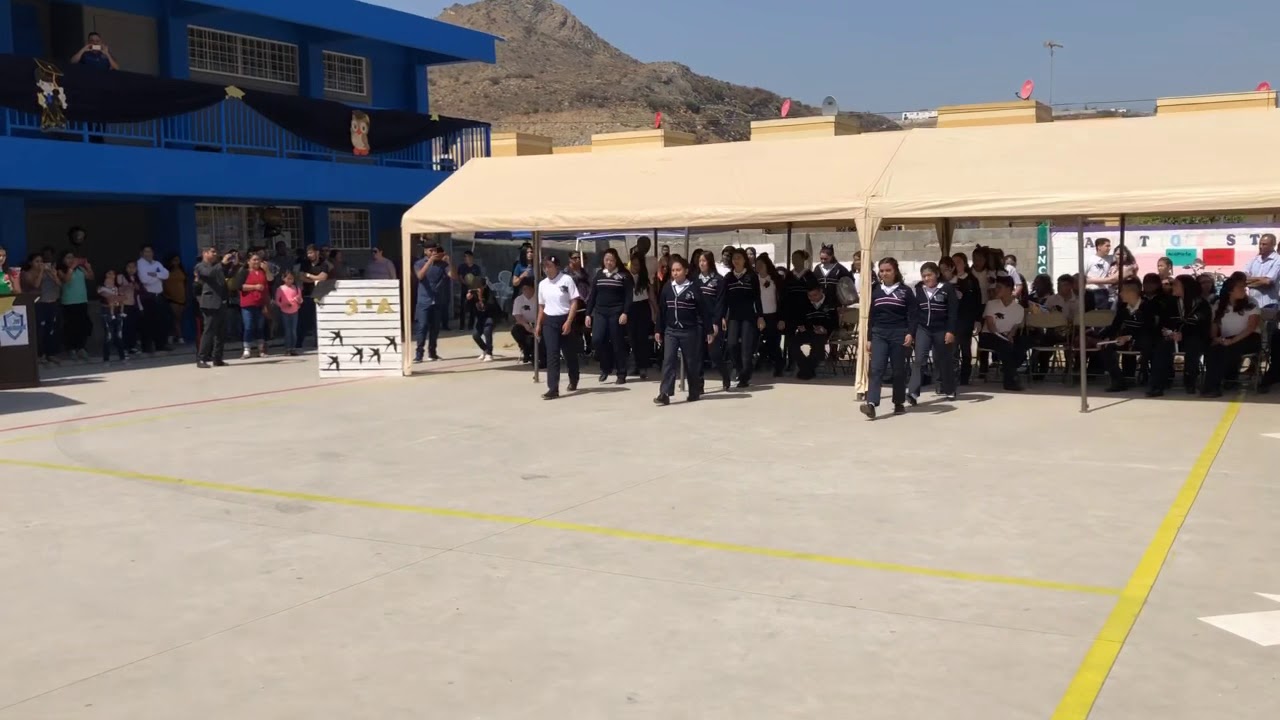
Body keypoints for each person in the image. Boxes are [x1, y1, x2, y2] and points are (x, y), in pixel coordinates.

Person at [654, 255, 716, 405]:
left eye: (678, 270)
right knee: (668, 361)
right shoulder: (667, 288)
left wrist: (709, 331)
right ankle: (665, 393)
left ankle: (694, 391)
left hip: (689, 331)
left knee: (690, 362)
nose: (675, 273)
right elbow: (662, 311)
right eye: (673, 270)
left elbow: (703, 311)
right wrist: (658, 330)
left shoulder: (694, 289)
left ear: (686, 271)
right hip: (671, 331)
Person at [860, 258, 918, 419]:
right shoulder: (876, 289)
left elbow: (913, 315)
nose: (884, 273)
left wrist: (910, 333)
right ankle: (871, 403)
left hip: (899, 333)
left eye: (888, 270)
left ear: (895, 271)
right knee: (877, 368)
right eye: (882, 270)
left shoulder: (905, 291)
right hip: (879, 333)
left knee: (898, 370)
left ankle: (898, 402)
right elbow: (872, 315)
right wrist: (869, 337)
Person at [1099, 279, 1173, 397]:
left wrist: (1129, 337)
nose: (1120, 294)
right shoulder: (1123, 308)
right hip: (1127, 339)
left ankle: (1155, 385)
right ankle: (1118, 381)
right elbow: (1115, 326)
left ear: (1132, 293)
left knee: (1152, 346)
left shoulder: (1149, 307)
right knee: (1106, 347)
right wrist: (1106, 337)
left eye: (1122, 291)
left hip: (1146, 338)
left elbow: (1150, 328)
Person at [1201, 274, 1262, 398]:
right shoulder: (1219, 305)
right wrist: (1215, 338)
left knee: (1226, 351)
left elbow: (1250, 328)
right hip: (1227, 338)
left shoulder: (1251, 304)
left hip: (1249, 338)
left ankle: (1218, 383)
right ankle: (1210, 386)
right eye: (1240, 287)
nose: (1244, 289)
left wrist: (1232, 341)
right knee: (1213, 350)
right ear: (1230, 291)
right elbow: (1214, 325)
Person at [908, 262, 958, 403]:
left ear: (936, 274)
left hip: (941, 328)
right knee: (919, 359)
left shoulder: (947, 288)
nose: (926, 279)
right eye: (924, 276)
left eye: (929, 275)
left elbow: (953, 312)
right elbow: (914, 312)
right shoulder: (919, 289)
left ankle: (949, 389)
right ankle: (913, 392)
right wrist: (911, 332)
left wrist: (950, 331)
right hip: (923, 329)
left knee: (944, 360)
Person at [719, 248, 765, 390]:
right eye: (734, 258)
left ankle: (745, 378)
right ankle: (740, 370)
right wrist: (722, 317)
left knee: (747, 348)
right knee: (731, 345)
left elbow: (757, 298)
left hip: (748, 317)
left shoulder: (751, 276)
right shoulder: (728, 278)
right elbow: (724, 300)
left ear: (745, 259)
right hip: (733, 317)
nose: (736, 260)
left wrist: (760, 317)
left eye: (739, 257)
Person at [585, 248, 633, 384]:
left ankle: (621, 373)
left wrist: (625, 312)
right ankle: (606, 367)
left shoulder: (624, 275)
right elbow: (592, 296)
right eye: (606, 260)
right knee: (598, 340)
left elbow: (629, 297)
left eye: (611, 260)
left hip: (616, 312)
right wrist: (588, 314)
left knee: (617, 342)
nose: (609, 262)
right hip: (600, 312)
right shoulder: (599, 275)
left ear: (616, 260)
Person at [536, 255, 580, 399]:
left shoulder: (566, 280)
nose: (547, 269)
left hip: (565, 318)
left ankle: (574, 378)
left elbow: (574, 301)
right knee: (552, 354)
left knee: (569, 353)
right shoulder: (542, 284)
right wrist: (538, 325)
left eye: (549, 266)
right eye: (545, 266)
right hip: (549, 320)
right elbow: (541, 306)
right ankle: (553, 388)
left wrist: (569, 321)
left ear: (557, 267)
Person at [978, 276, 1027, 392]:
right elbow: (990, 326)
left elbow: (1014, 329)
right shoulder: (991, 304)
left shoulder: (1019, 309)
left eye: (999, 287)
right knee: (1006, 345)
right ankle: (1011, 380)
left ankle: (1010, 374)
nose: (996, 290)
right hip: (990, 336)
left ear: (1010, 289)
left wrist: (1009, 337)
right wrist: (1003, 337)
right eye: (996, 287)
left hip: (1005, 337)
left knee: (1019, 345)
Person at [412, 244, 456, 363]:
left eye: (435, 250)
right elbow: (420, 276)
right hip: (423, 300)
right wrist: (430, 261)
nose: (433, 252)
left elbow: (453, 276)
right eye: (431, 250)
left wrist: (449, 262)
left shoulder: (442, 265)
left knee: (435, 328)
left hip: (437, 300)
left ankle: (432, 353)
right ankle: (419, 354)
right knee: (422, 327)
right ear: (426, 251)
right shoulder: (419, 263)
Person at [193, 246, 234, 369]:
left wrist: (228, 264)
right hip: (210, 302)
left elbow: (225, 275)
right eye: (212, 252)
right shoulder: (200, 266)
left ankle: (218, 358)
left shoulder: (217, 266)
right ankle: (202, 358)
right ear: (205, 253)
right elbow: (210, 274)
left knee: (221, 332)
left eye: (216, 252)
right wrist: (222, 263)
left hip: (222, 302)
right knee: (209, 331)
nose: (215, 254)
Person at [1170, 274, 1212, 394]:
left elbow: (1199, 325)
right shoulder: (1172, 302)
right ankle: (1157, 383)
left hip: (1196, 338)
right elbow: (1168, 321)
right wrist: (1171, 332)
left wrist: (1182, 333)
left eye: (1176, 284)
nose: (1173, 287)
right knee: (1161, 346)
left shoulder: (1201, 304)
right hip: (1174, 337)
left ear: (1185, 287)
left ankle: (1190, 380)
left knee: (1193, 345)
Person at [21, 253, 62, 364]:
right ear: (31, 263)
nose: (40, 264)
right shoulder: (27, 274)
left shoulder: (49, 272)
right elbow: (35, 285)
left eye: (41, 261)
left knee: (52, 329)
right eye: (37, 261)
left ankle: (51, 353)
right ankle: (40, 354)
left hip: (52, 303)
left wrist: (53, 274)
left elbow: (59, 284)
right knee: (40, 330)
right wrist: (41, 272)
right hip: (39, 304)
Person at [791, 282, 837, 380]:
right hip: (808, 330)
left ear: (821, 292)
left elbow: (834, 322)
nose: (812, 298)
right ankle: (805, 368)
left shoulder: (830, 303)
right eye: (810, 296)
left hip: (823, 332)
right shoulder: (805, 303)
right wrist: (802, 326)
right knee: (793, 344)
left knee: (818, 346)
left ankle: (807, 370)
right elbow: (800, 318)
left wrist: (825, 329)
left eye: (815, 295)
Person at [951, 252, 982, 385]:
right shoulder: (949, 280)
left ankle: (965, 376)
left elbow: (977, 300)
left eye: (958, 261)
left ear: (964, 263)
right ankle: (952, 374)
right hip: (952, 319)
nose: (956, 264)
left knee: (965, 348)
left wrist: (977, 319)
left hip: (966, 319)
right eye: (953, 262)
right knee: (952, 349)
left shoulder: (971, 280)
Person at [57, 250, 94, 362]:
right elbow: (66, 280)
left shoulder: (80, 269)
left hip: (82, 300)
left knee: (83, 325)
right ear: (63, 260)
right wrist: (71, 268)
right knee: (70, 326)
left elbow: (91, 277)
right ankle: (71, 348)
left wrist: (88, 267)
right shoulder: (60, 270)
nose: (71, 260)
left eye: (72, 257)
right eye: (68, 258)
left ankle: (81, 347)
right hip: (69, 302)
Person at [695, 251, 725, 380]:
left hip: (712, 321)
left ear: (710, 262)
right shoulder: (694, 280)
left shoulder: (718, 280)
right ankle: (699, 384)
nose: (701, 263)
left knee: (713, 353)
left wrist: (716, 322)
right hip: (697, 321)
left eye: (704, 261)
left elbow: (720, 303)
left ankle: (725, 375)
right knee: (697, 354)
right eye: (700, 261)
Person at [782, 250, 814, 373]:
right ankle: (791, 361)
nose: (794, 261)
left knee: (806, 336)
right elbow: (784, 294)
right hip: (791, 312)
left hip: (805, 312)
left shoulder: (809, 275)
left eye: (797, 258)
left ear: (803, 259)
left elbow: (815, 292)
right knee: (789, 338)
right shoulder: (789, 275)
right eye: (792, 258)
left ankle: (807, 361)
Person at [135, 244, 171, 353]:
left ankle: (161, 344)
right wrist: (158, 276)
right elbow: (144, 279)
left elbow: (166, 275)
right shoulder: (140, 263)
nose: (148, 254)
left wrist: (153, 274)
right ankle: (147, 347)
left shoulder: (157, 263)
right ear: (141, 253)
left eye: (150, 251)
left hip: (159, 295)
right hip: (147, 296)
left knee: (161, 321)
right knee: (148, 322)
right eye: (146, 251)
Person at [627, 252, 658, 380]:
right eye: (633, 264)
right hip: (630, 308)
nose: (635, 267)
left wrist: (656, 311)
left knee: (642, 338)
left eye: (637, 265)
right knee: (632, 338)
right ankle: (634, 364)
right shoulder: (626, 277)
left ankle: (643, 367)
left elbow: (651, 297)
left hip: (642, 307)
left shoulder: (644, 279)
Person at [237, 253, 272, 358]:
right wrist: (255, 287)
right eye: (254, 260)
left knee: (260, 327)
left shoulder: (262, 272)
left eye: (258, 260)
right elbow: (240, 286)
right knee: (248, 326)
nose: (256, 262)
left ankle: (261, 349)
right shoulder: (244, 272)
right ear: (248, 261)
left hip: (261, 303)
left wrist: (267, 270)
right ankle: (247, 349)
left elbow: (270, 279)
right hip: (248, 304)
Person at [755, 253, 785, 377]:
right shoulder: (753, 279)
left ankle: (779, 366)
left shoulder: (776, 280)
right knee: (757, 341)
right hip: (758, 315)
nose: (758, 267)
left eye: (761, 265)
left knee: (774, 343)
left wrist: (781, 318)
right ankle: (761, 358)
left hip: (773, 315)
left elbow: (782, 300)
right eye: (757, 265)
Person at [297, 244, 331, 349]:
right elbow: (301, 276)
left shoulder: (324, 263)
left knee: (318, 320)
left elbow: (323, 277)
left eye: (311, 253)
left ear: (317, 252)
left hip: (320, 293)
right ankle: (299, 342)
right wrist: (315, 279)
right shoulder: (305, 263)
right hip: (307, 294)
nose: (309, 255)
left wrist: (309, 276)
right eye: (308, 253)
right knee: (304, 320)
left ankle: (318, 342)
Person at [96, 270, 127, 363]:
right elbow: (108, 297)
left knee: (119, 335)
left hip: (117, 310)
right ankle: (106, 358)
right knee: (109, 335)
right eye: (109, 273)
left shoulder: (116, 288)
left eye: (113, 273)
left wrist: (118, 298)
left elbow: (123, 298)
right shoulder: (101, 287)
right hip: (106, 311)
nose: (111, 276)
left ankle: (122, 356)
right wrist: (117, 297)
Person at [1244, 232, 1280, 309]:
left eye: (1264, 244)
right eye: (1260, 244)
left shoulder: (1277, 260)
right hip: (1253, 303)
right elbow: (1243, 277)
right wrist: (1261, 279)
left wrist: (1249, 283)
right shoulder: (1254, 260)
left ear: (1273, 245)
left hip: (1269, 304)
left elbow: (1267, 282)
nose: (1261, 246)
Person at [468, 283, 500, 362]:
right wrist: (468, 299)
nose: (477, 289)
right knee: (475, 335)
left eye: (479, 287)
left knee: (487, 331)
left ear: (484, 286)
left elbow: (490, 307)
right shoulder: (473, 295)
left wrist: (480, 297)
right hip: (480, 318)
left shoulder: (489, 295)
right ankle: (485, 349)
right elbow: (467, 309)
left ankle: (489, 353)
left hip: (490, 316)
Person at [510, 279, 539, 364]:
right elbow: (517, 315)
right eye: (524, 289)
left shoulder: (538, 298)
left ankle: (535, 354)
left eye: (528, 288)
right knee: (515, 330)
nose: (526, 291)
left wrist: (537, 325)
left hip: (538, 323)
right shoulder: (519, 300)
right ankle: (525, 349)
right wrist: (525, 325)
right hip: (525, 323)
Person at [274, 271, 303, 355]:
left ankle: (293, 348)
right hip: (285, 311)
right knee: (287, 330)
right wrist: (283, 305)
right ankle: (287, 348)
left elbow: (301, 300)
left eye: (291, 279)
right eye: (288, 278)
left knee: (293, 330)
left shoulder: (296, 288)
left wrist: (298, 300)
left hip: (295, 310)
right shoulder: (280, 289)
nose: (290, 280)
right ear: (284, 279)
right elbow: (277, 301)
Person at [1085, 238, 1115, 310]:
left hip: (1104, 291)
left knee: (1102, 315)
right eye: (1107, 246)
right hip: (1091, 291)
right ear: (1099, 247)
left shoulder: (1110, 258)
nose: (1109, 248)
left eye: (1109, 246)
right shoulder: (1090, 260)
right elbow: (1082, 275)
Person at [163, 255, 187, 345]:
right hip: (171, 298)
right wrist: (166, 295)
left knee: (178, 318)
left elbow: (185, 283)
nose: (176, 262)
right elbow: (162, 283)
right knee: (175, 318)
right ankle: (180, 337)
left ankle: (171, 335)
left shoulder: (181, 270)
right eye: (174, 260)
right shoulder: (166, 271)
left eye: (178, 260)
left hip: (181, 297)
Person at [455, 250, 482, 329]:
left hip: (474, 290)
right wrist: (466, 283)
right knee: (463, 308)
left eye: (467, 257)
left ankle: (471, 325)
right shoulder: (462, 267)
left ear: (471, 257)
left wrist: (473, 285)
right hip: (465, 290)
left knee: (473, 309)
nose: (466, 258)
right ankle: (462, 326)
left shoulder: (476, 268)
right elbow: (460, 277)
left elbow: (478, 278)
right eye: (465, 257)